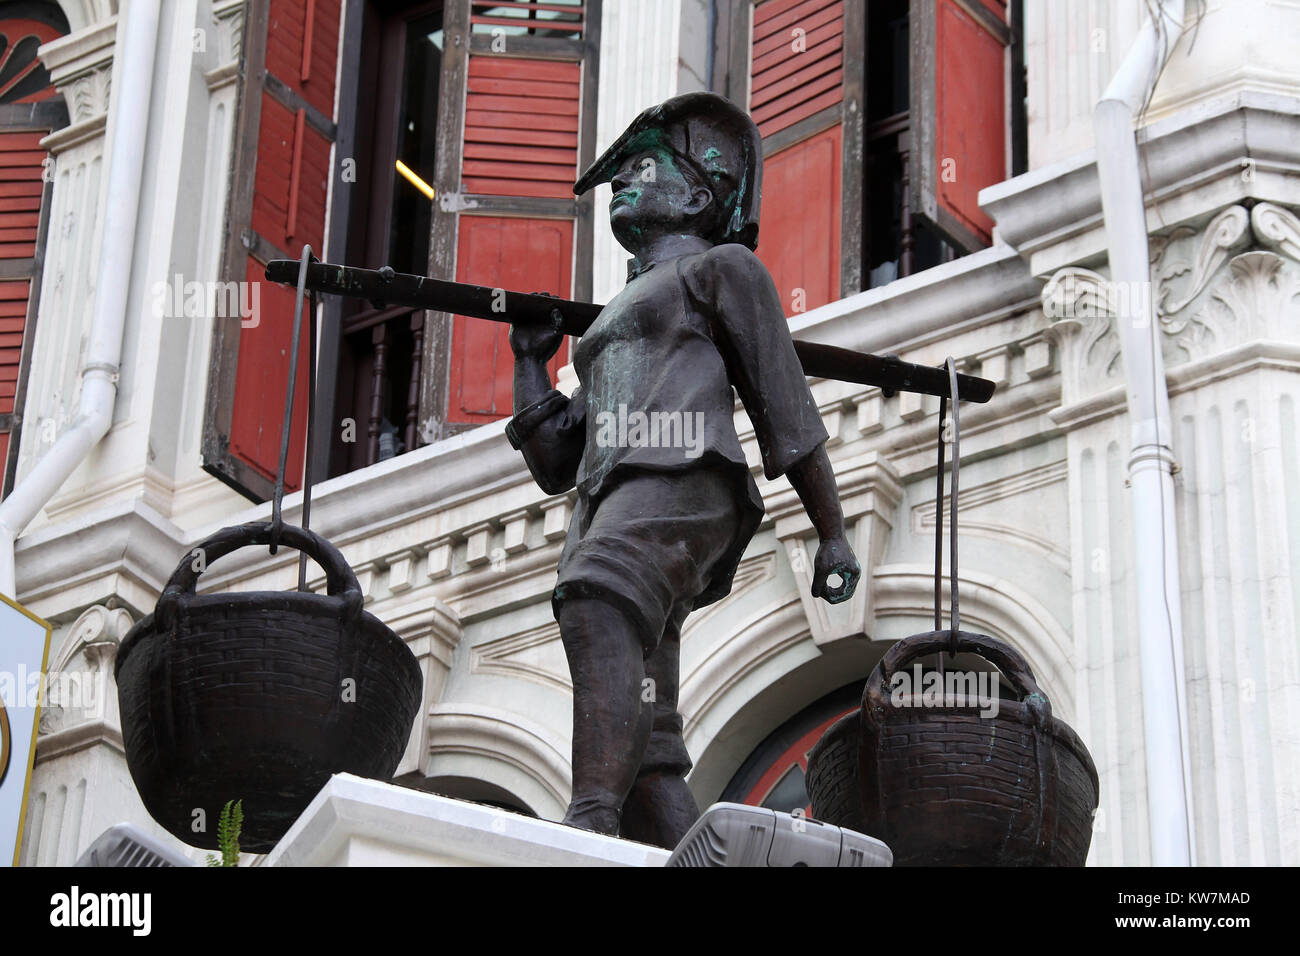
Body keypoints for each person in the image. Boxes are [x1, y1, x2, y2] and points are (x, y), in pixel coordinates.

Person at [505, 92, 860, 850]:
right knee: (647, 728)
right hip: (614, 497)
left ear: (699, 194)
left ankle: (590, 818)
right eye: (618, 177)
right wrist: (531, 364)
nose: (622, 185)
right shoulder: (607, 326)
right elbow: (558, 461)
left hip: (684, 479)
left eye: (640, 168)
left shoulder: (721, 270)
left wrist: (833, 534)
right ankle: (675, 844)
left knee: (596, 596)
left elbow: (783, 405)